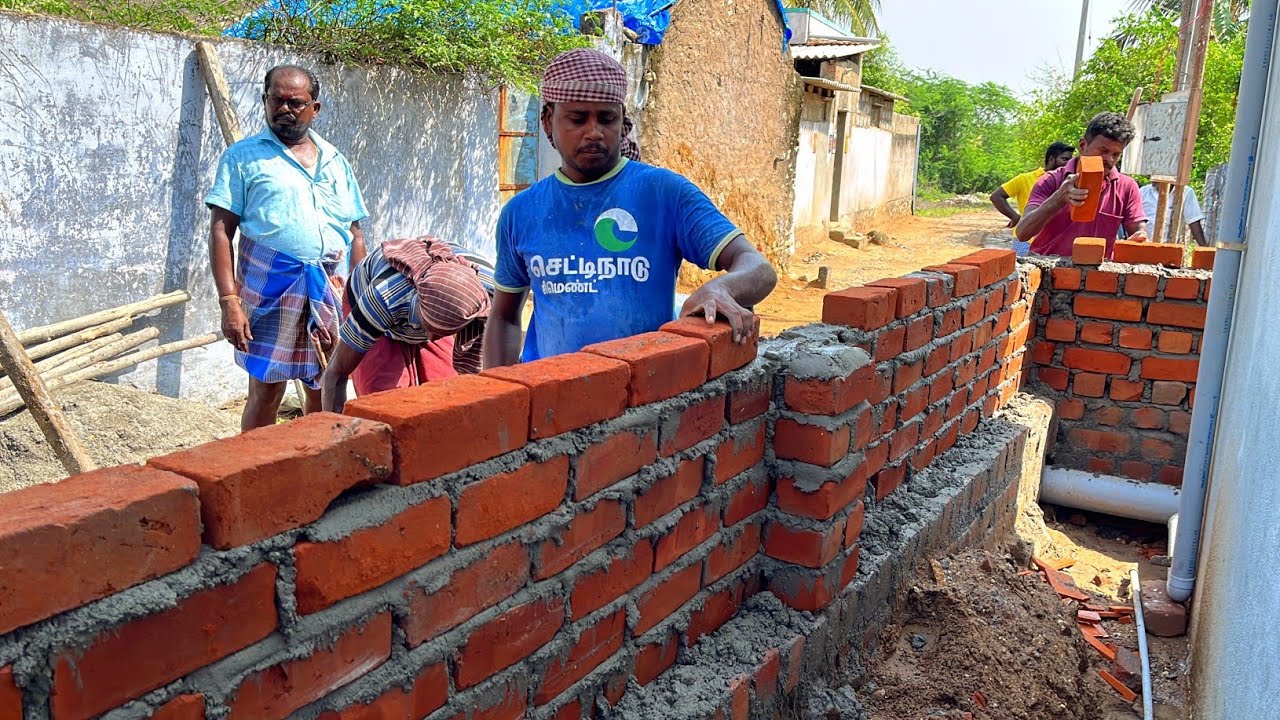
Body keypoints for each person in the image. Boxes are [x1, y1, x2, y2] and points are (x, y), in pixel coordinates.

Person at [483, 49, 777, 367]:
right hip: (548, 401)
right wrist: (495, 394)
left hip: (641, 402)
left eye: (607, 118)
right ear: (547, 120)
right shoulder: (521, 212)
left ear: (623, 122)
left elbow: (758, 269)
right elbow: (504, 317)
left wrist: (722, 288)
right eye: (578, 118)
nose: (594, 132)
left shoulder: (664, 193)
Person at [206, 64, 368, 430]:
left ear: (315, 108)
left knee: (326, 386)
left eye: (295, 102)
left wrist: (357, 297)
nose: (285, 109)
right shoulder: (242, 158)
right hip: (267, 290)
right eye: (276, 100)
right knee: (266, 390)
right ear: (265, 101)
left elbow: (355, 233)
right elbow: (221, 231)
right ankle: (254, 472)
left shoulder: (335, 162)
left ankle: (316, 466)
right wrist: (229, 302)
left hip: (328, 288)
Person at [320, 238, 492, 413]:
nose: (431, 339)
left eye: (441, 332)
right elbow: (336, 373)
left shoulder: (487, 292)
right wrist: (335, 432)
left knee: (445, 396)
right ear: (417, 305)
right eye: (428, 328)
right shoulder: (383, 298)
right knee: (383, 405)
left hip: (433, 308)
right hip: (373, 306)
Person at [1015, 112, 1148, 258]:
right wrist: (1058, 199)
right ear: (1083, 146)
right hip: (1047, 271)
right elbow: (1022, 233)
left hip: (1099, 275)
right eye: (1103, 151)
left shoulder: (1127, 187)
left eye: (1116, 155)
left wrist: (1136, 240)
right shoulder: (1050, 180)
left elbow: (1138, 232)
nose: (1109, 159)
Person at [991, 142, 1076, 228]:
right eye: (1065, 159)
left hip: (1054, 237)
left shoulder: (1069, 181)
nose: (1069, 164)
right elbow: (996, 196)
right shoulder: (1024, 179)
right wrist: (1015, 217)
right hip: (1026, 238)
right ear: (1051, 159)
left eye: (1070, 160)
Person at [1140, 183, 1208, 246]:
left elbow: (1194, 222)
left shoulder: (1185, 192)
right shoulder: (1143, 192)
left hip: (1170, 247)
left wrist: (1204, 250)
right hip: (1145, 246)